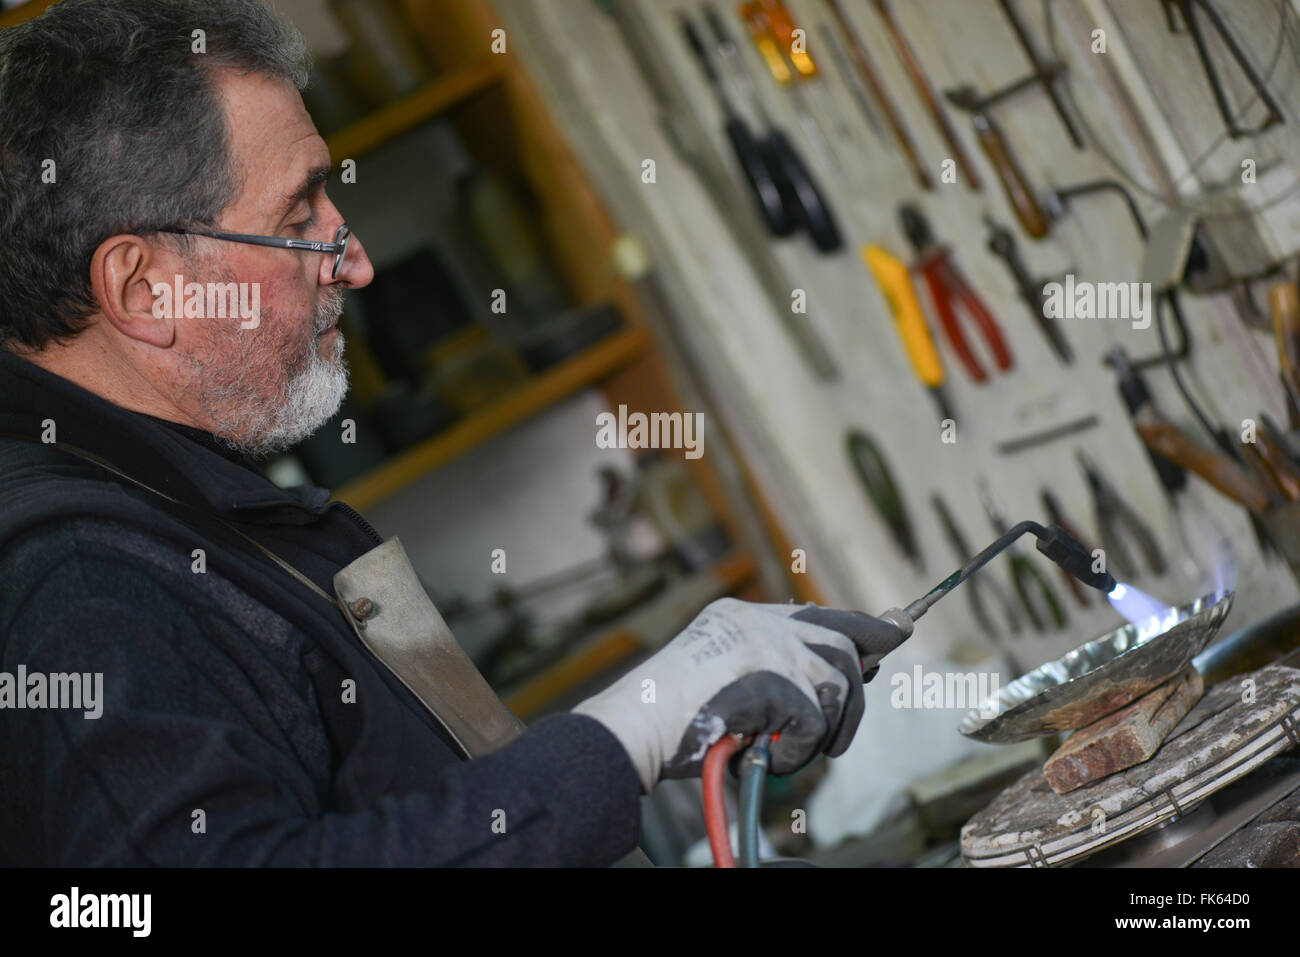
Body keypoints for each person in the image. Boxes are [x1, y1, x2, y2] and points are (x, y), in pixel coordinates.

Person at [0, 0, 903, 866]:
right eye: (298, 218)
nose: (355, 259)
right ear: (145, 291)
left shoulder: (174, 505)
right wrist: (631, 730)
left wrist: (652, 732)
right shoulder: (82, 590)